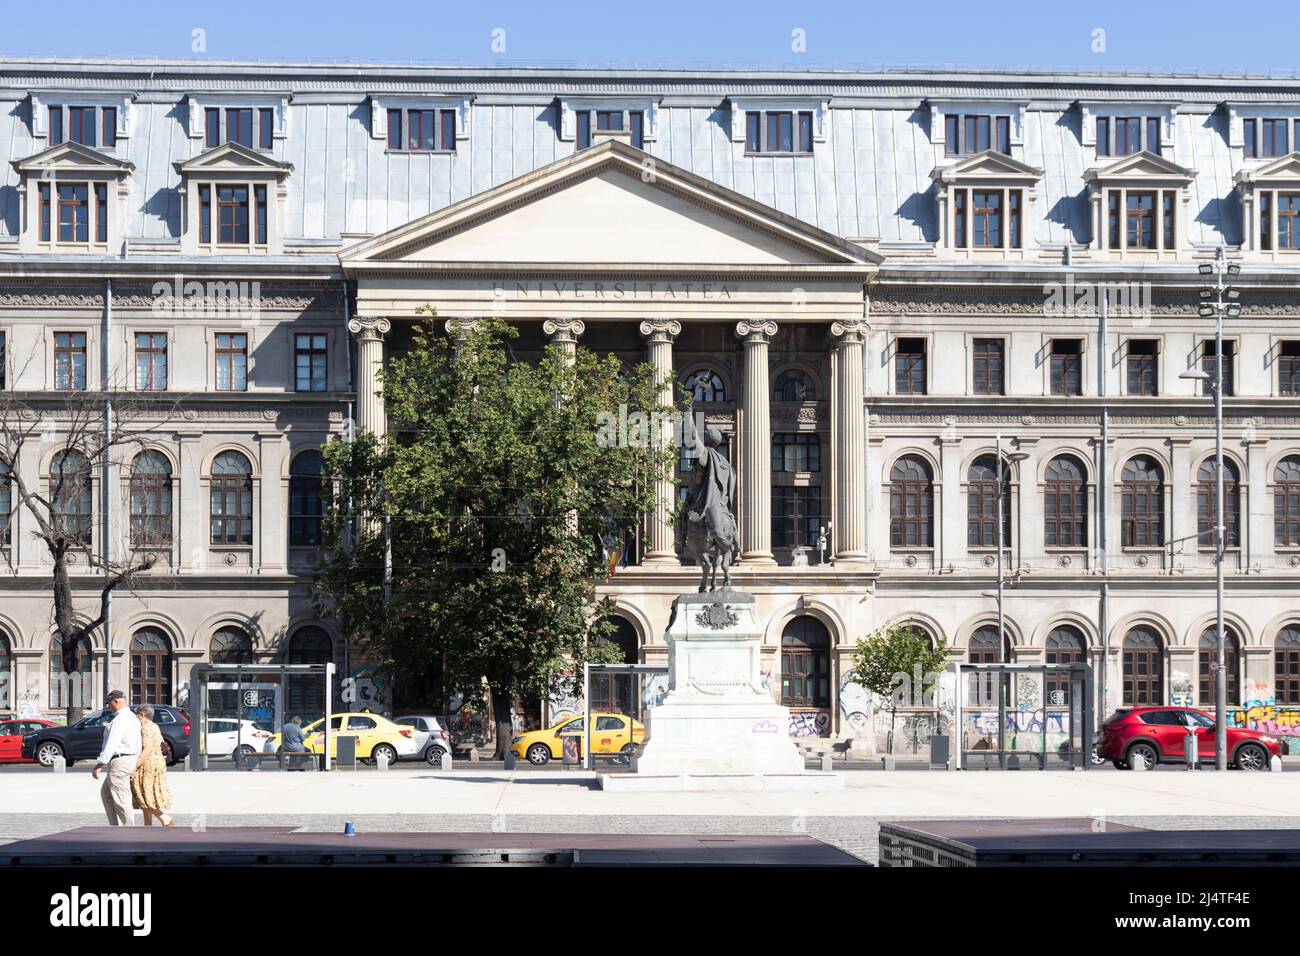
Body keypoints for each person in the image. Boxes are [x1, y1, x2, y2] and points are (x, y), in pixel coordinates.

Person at [91, 690, 141, 826]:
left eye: (109, 703)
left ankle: (128, 830)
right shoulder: (132, 717)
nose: (108, 706)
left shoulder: (120, 719)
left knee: (121, 797)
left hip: (120, 760)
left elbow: (111, 743)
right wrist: (135, 763)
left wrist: (99, 765)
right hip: (128, 759)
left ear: (117, 702)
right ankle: (116, 826)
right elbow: (138, 743)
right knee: (107, 793)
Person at [130, 704, 174, 827]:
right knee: (148, 794)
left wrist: (136, 765)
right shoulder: (154, 726)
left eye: (137, 715)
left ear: (142, 715)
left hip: (148, 764)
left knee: (143, 795)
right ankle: (147, 825)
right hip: (158, 763)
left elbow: (148, 748)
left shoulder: (146, 727)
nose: (136, 717)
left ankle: (164, 818)